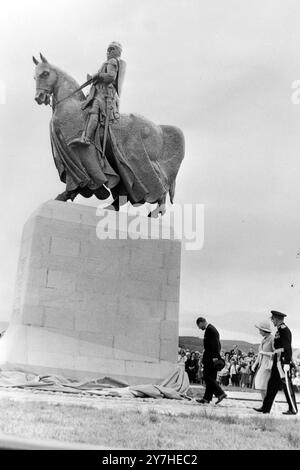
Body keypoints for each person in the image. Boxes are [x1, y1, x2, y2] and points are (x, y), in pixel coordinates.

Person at [70, 41, 125, 146]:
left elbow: (110, 77)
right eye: (108, 50)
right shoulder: (109, 62)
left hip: (105, 95)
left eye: (111, 50)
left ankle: (87, 138)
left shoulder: (112, 61)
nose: (108, 52)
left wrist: (98, 75)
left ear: (116, 52)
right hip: (100, 92)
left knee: (94, 110)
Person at [254, 311, 298, 415]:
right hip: (277, 361)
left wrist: (287, 362)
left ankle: (293, 409)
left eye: (273, 319)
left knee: (287, 386)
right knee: (271, 385)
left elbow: (287, 347)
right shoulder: (279, 331)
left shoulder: (284, 330)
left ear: (277, 319)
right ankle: (266, 408)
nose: (272, 321)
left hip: (282, 361)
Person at [195, 316, 227, 405]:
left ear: (202, 322)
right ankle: (207, 398)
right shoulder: (210, 329)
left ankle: (220, 393)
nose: (199, 327)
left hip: (211, 359)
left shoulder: (210, 329)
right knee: (210, 378)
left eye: (198, 325)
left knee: (207, 377)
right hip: (211, 357)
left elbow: (216, 344)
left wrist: (215, 358)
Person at [251, 320, 274, 402]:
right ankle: (266, 403)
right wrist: (255, 364)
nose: (259, 332)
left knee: (263, 386)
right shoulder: (263, 340)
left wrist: (265, 353)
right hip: (262, 365)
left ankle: (268, 403)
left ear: (265, 330)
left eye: (260, 330)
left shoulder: (272, 339)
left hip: (268, 365)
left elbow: (276, 353)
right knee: (261, 385)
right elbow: (259, 353)